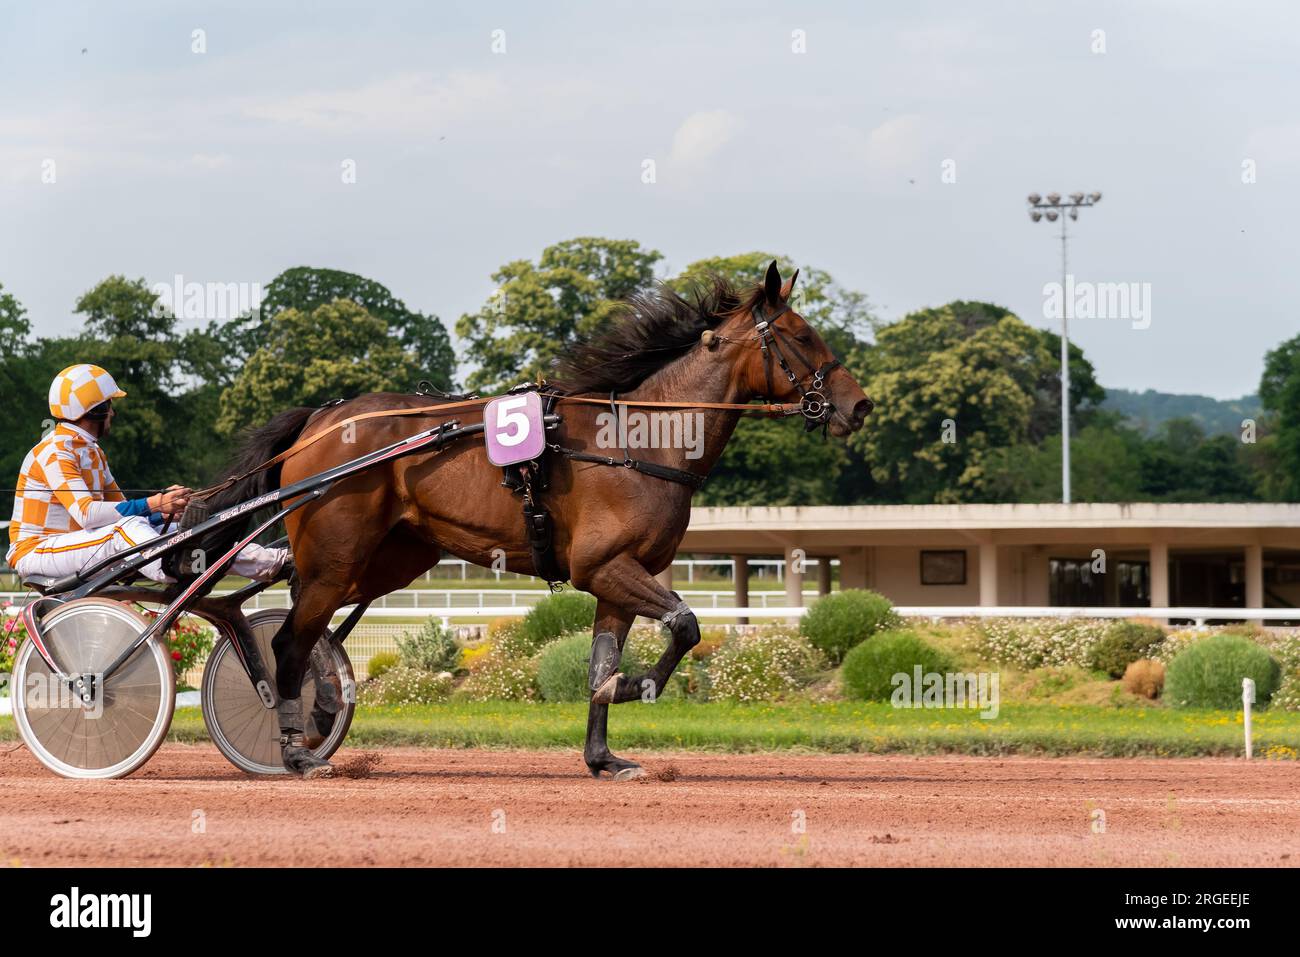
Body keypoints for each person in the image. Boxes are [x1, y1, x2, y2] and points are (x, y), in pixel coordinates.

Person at [7, 363, 288, 584]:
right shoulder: (56, 451)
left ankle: (275, 563)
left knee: (193, 531)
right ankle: (170, 566)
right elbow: (87, 514)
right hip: (35, 551)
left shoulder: (92, 451)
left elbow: (123, 508)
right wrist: (154, 503)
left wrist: (165, 512)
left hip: (74, 546)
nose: (113, 414)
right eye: (109, 406)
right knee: (124, 531)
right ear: (96, 410)